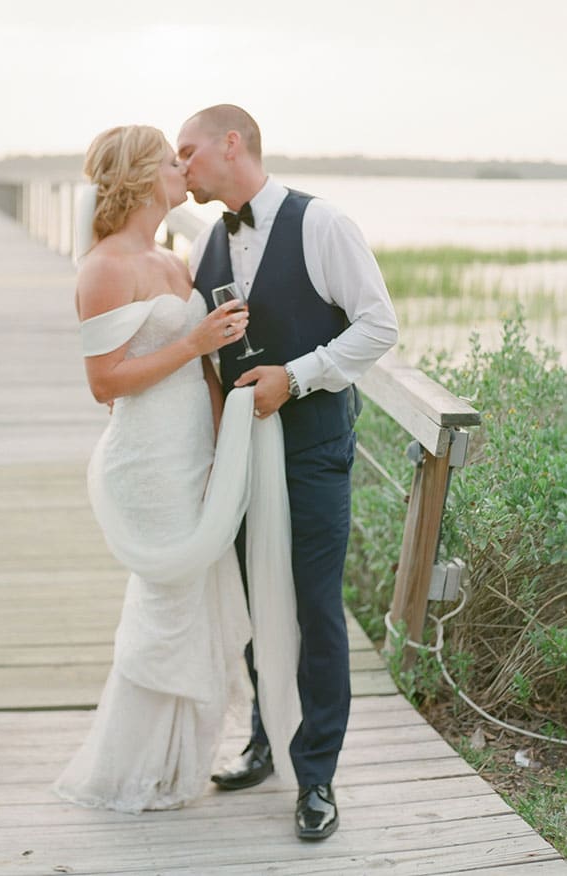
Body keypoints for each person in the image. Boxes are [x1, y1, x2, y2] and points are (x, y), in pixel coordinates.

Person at [52, 125, 298, 814]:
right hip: (149, 460)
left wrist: (225, 438)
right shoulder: (105, 267)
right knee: (167, 610)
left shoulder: (171, 258)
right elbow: (105, 383)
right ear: (140, 177)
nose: (181, 168)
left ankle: (179, 764)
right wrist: (193, 338)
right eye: (170, 160)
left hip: (196, 451)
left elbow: (203, 366)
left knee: (197, 609)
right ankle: (131, 769)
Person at [178, 104, 398, 840]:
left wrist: (297, 378)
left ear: (230, 144)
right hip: (240, 456)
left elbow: (379, 324)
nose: (181, 169)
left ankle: (318, 778)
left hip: (311, 451)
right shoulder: (212, 235)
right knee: (249, 599)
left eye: (188, 152)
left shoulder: (323, 223)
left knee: (313, 608)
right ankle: (267, 741)